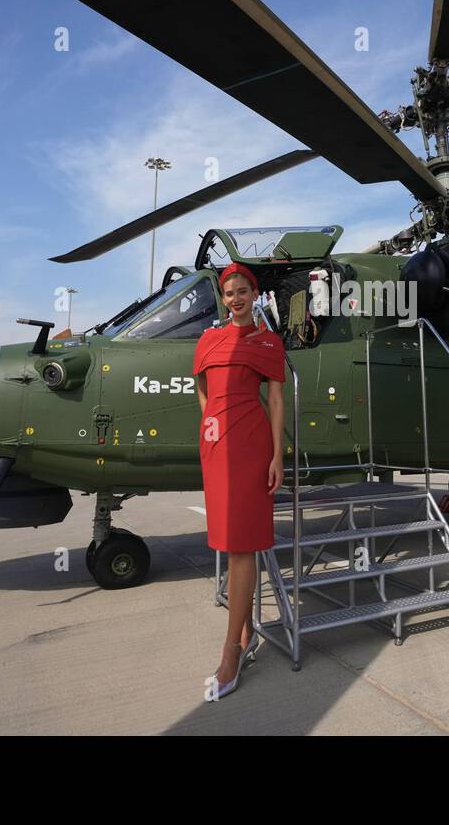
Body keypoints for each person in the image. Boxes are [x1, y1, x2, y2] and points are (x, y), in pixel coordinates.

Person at [192, 262, 285, 701]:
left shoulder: (268, 341)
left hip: (251, 445)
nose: (236, 298)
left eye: (243, 290)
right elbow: (203, 390)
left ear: (254, 294)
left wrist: (277, 456)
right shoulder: (208, 340)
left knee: (242, 543)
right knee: (227, 542)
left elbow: (277, 400)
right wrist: (212, 422)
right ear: (223, 298)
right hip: (216, 447)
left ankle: (231, 651)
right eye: (229, 292)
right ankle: (246, 635)